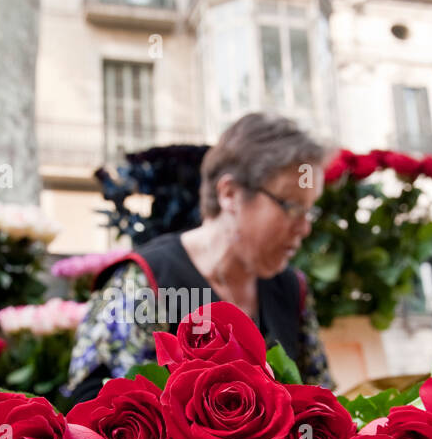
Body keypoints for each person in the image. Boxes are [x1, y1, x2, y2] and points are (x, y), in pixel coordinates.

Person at [65, 113, 334, 402]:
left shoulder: (292, 288)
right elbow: (95, 412)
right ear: (229, 193)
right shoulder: (144, 282)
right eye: (292, 206)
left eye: (310, 211)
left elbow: (321, 402)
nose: (305, 228)